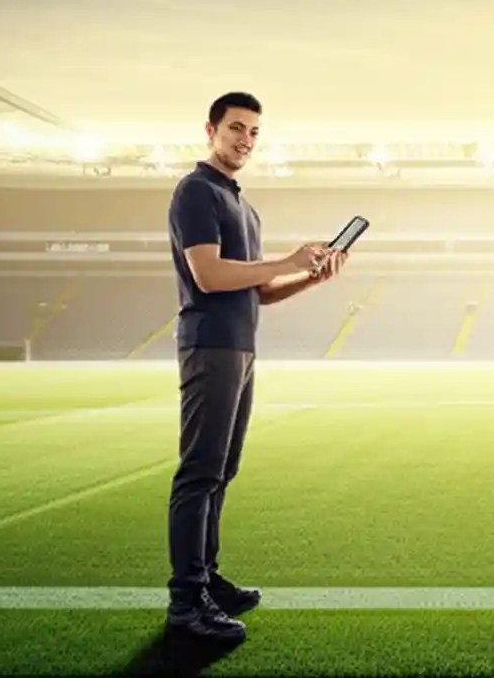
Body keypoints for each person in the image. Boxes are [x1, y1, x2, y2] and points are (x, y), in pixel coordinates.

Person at [164, 91, 346, 641]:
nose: (245, 140)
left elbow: (259, 290)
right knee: (199, 473)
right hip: (211, 345)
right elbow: (210, 276)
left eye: (253, 133)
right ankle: (185, 603)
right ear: (211, 130)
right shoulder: (196, 192)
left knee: (222, 472)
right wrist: (290, 258)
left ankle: (208, 580)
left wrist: (308, 277)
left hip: (241, 348)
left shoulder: (243, 204)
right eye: (236, 128)